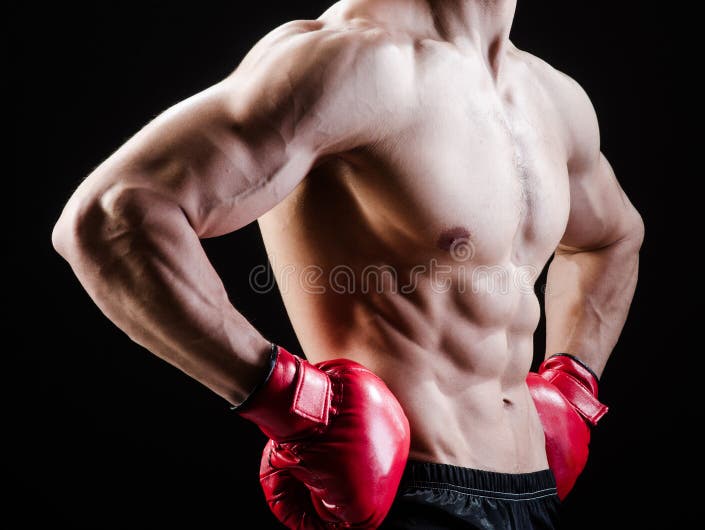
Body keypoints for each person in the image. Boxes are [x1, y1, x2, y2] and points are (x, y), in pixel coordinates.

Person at [52, 0, 643, 528]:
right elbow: (112, 217)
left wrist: (572, 389)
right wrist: (295, 404)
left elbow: (613, 239)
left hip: (535, 495)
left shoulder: (552, 99)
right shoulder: (356, 62)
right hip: (409, 496)